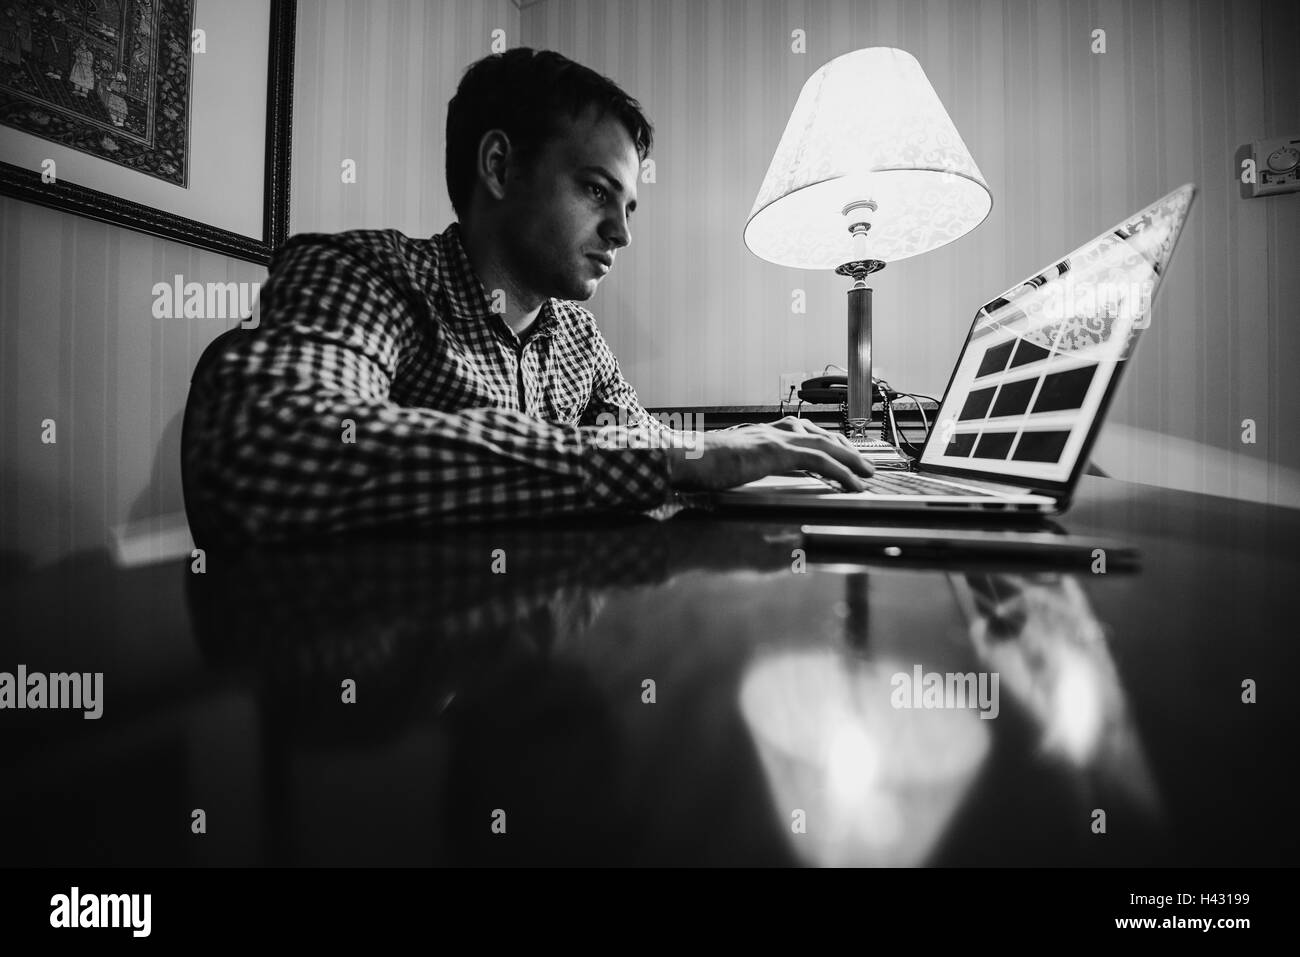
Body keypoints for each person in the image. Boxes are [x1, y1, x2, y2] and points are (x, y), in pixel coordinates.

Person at [183, 48, 871, 545]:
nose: (622, 234)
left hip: (532, 657)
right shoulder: (366, 273)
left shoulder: (577, 334)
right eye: (598, 192)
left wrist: (723, 447)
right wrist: (676, 459)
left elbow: (638, 443)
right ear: (500, 167)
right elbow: (267, 447)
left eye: (629, 206)